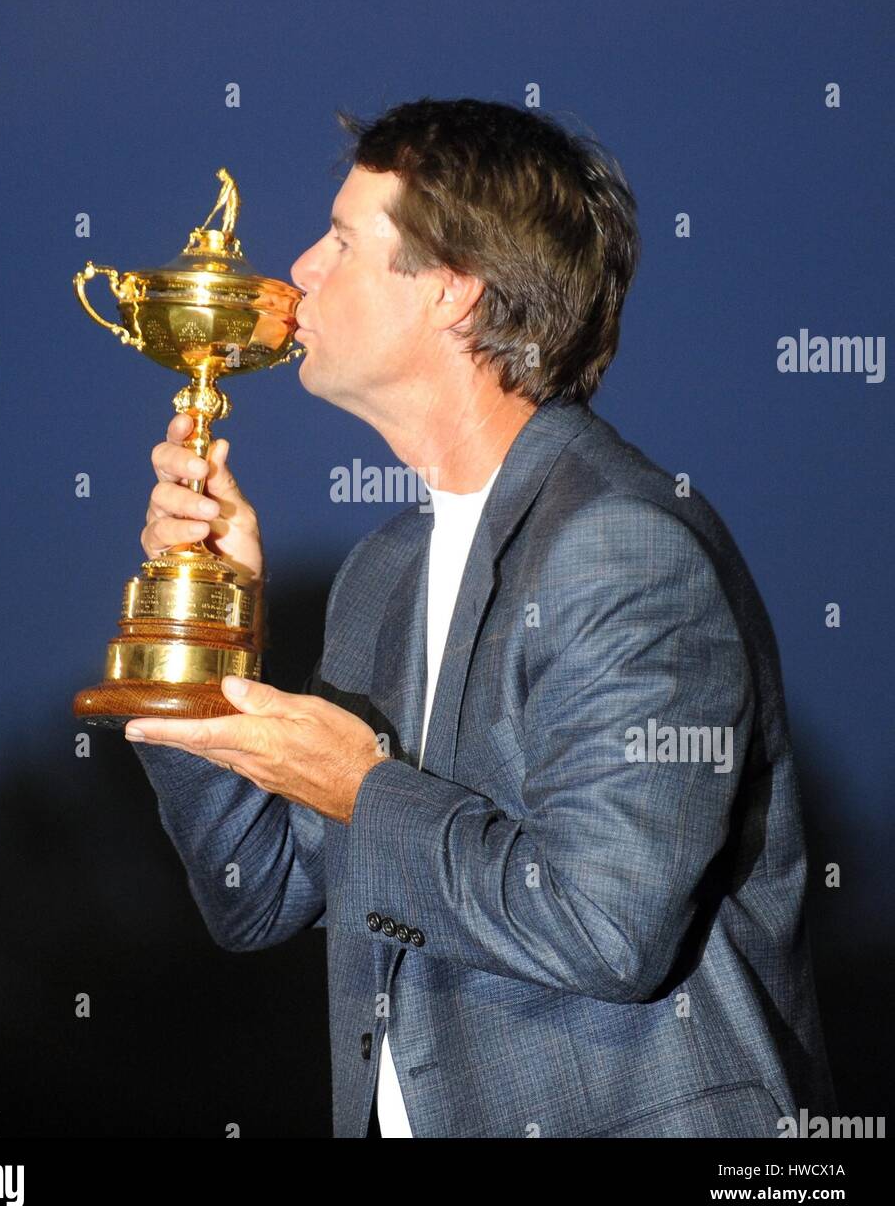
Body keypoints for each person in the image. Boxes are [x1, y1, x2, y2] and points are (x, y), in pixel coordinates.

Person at [124, 97, 837, 1138]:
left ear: (452, 292)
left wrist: (363, 792)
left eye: (339, 240)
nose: (300, 269)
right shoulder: (383, 573)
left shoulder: (622, 547)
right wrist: (207, 627)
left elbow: (606, 928)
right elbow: (257, 896)